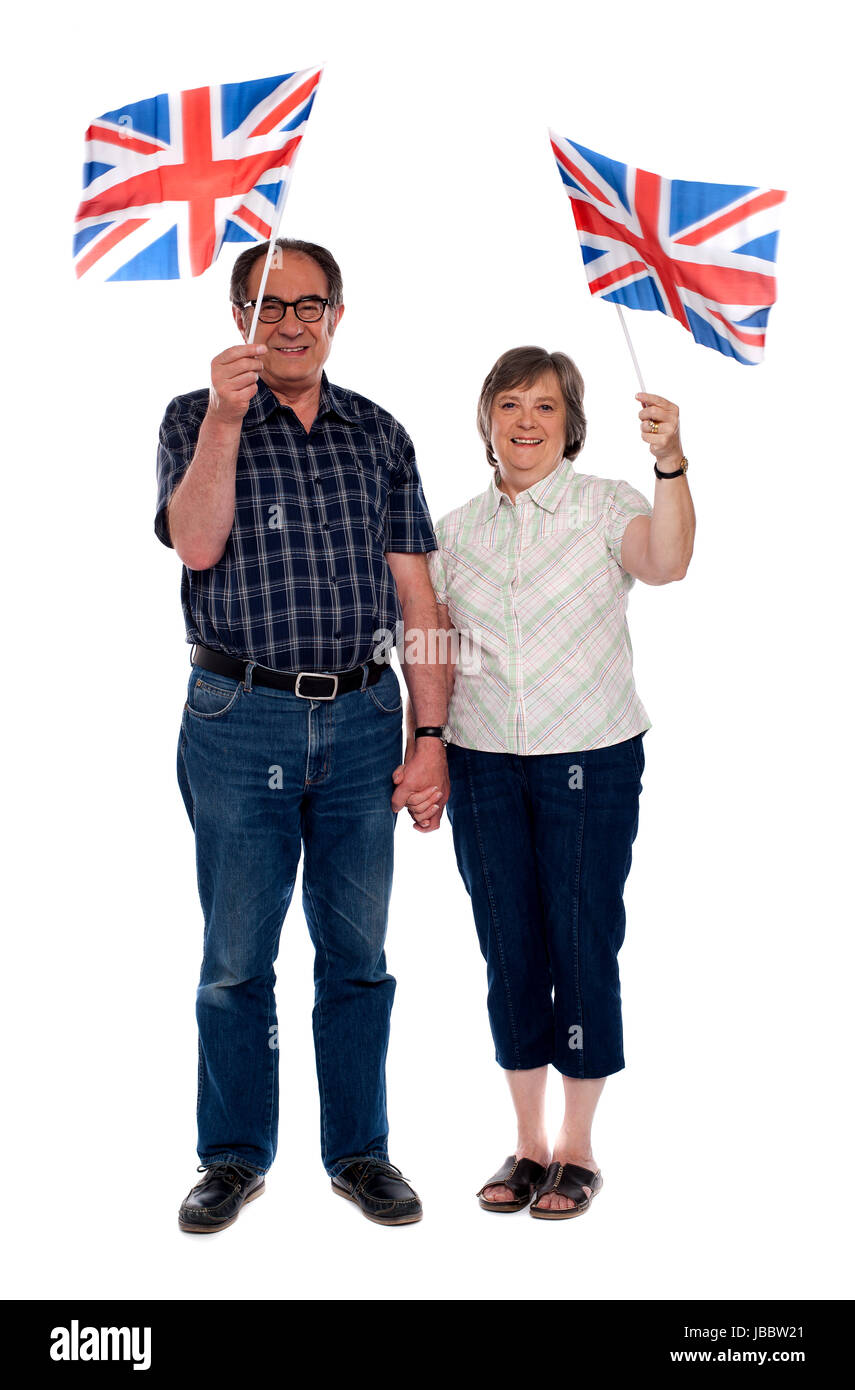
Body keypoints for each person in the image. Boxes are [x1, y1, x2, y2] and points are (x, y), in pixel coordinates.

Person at [155, 237, 449, 1231]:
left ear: (336, 316)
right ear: (238, 317)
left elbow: (417, 591)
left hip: (367, 719)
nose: (289, 322)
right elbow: (196, 540)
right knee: (237, 955)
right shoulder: (196, 418)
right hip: (241, 717)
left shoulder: (378, 433)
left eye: (308, 305)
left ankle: (360, 1151)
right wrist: (229, 419)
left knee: (358, 950)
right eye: (267, 305)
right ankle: (232, 1156)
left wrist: (432, 732)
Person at [394, 345, 695, 1219]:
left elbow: (666, 561)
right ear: (487, 420)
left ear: (570, 424)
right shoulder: (452, 531)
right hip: (485, 763)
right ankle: (526, 1144)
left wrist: (669, 461)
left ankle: (578, 1148)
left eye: (545, 408)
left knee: (581, 941)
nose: (525, 422)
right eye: (510, 405)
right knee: (509, 949)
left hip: (590, 758)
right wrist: (429, 743)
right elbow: (432, 643)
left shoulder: (607, 505)